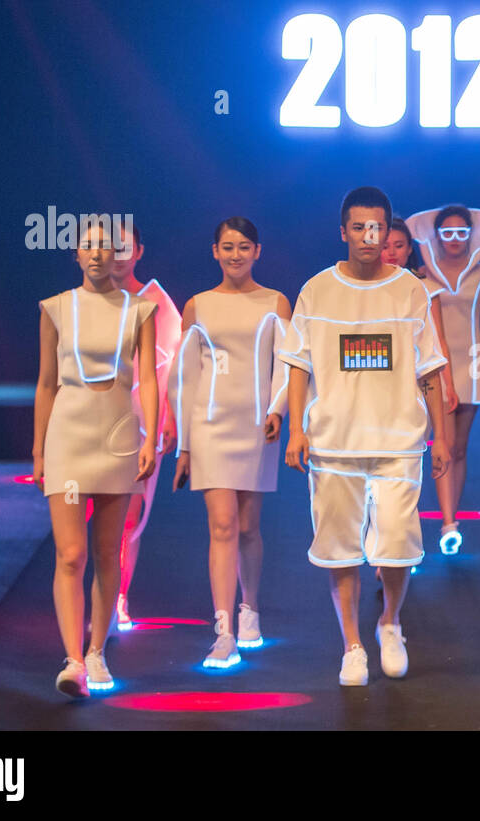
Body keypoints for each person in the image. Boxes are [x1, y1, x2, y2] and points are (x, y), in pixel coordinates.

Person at [280, 187, 451, 686]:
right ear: (343, 232)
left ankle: (390, 622)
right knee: (340, 548)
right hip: (334, 442)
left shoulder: (410, 290)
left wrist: (440, 436)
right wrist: (297, 430)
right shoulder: (317, 289)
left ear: (388, 232)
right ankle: (352, 644)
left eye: (376, 228)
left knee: (396, 546)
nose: (367, 236)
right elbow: (297, 363)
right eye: (358, 227)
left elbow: (432, 367)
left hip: (398, 441)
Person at [34, 221, 158, 697]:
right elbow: (46, 382)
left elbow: (146, 378)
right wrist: (38, 447)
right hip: (68, 436)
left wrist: (148, 438)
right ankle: (72, 661)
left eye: (106, 247)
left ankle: (96, 652)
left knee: (108, 553)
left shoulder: (140, 309)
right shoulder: (56, 308)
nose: (97, 254)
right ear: (75, 252)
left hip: (118, 437)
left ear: (119, 255)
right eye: (87, 245)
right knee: (71, 553)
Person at [172, 217, 291, 667]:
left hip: (258, 425)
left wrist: (278, 409)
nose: (236, 254)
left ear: (257, 251)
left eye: (244, 246)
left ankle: (250, 609)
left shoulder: (276, 302)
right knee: (221, 525)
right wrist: (184, 444)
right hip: (210, 424)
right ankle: (223, 632)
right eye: (227, 247)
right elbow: (186, 377)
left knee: (246, 527)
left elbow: (286, 363)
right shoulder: (197, 306)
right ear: (215, 251)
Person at [406, 205, 480, 554]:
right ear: (436, 237)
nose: (454, 239)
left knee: (461, 448)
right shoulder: (426, 273)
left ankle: (452, 518)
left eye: (461, 232)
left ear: (471, 235)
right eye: (447, 233)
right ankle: (448, 522)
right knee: (443, 443)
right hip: (436, 365)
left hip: (473, 362)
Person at [104, 223, 182, 631]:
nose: (116, 255)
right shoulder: (87, 300)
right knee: (92, 520)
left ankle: (117, 599)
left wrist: (167, 420)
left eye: (124, 247)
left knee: (128, 518)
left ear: (139, 251)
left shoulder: (158, 303)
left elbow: (171, 367)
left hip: (138, 427)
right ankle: (94, 597)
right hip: (90, 423)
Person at [383, 217, 458, 556]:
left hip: (425, 381)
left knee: (440, 451)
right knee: (399, 465)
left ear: (409, 249)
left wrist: (449, 383)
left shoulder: (426, 287)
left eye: (399, 245)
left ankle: (447, 522)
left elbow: (439, 340)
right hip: (388, 389)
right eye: (386, 245)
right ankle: (397, 541)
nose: (392, 252)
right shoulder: (368, 288)